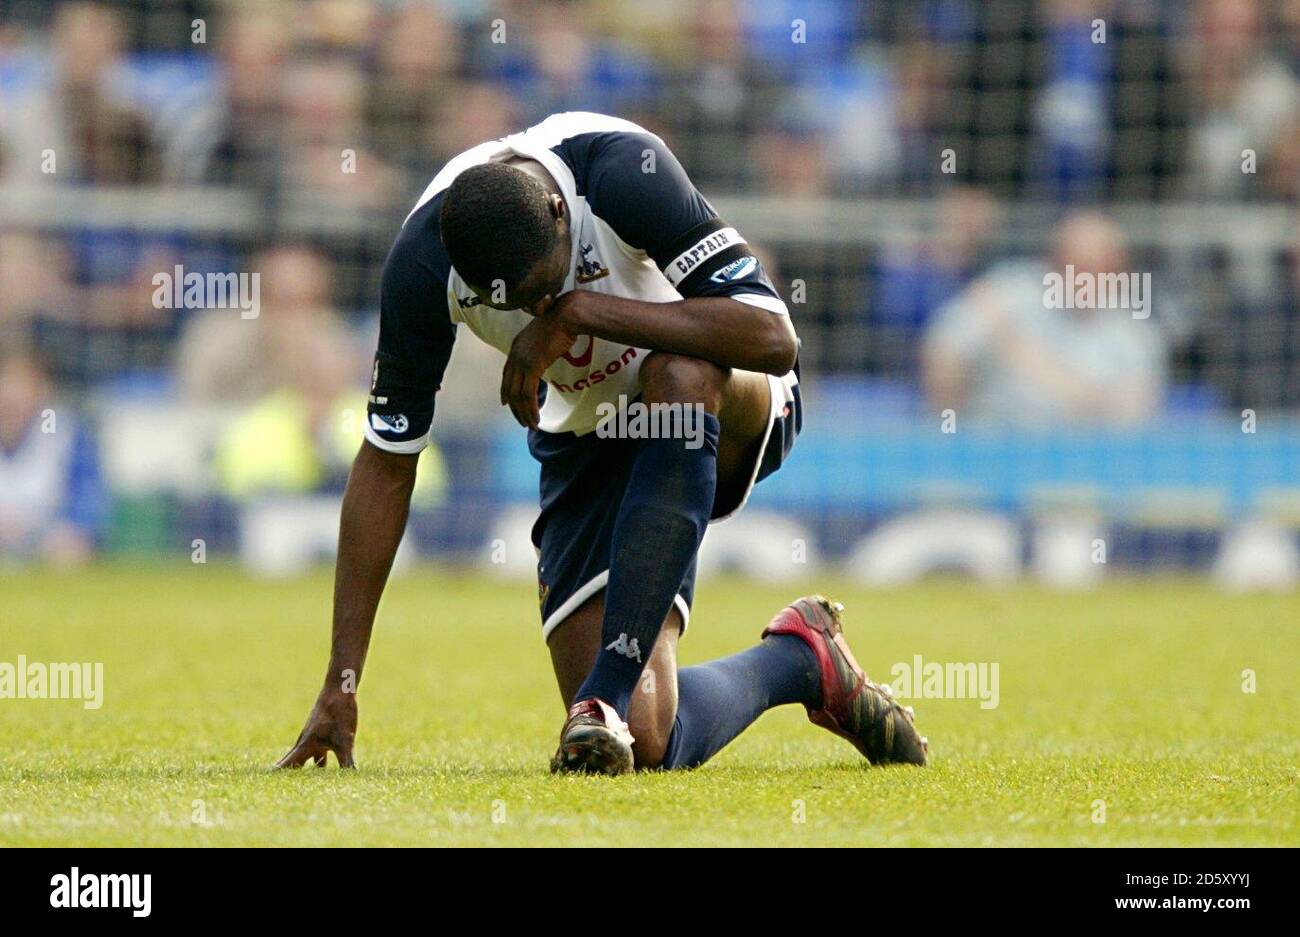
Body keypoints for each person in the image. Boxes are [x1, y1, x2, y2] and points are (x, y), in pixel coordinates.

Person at [276, 112, 926, 774]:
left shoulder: (622, 172)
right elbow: (387, 462)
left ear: (561, 214)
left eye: (544, 289)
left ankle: (603, 698)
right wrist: (341, 678)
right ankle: (800, 660)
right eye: (517, 304)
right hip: (588, 434)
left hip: (728, 394)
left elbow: (770, 335)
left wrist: (581, 311)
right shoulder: (422, 264)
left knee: (677, 373)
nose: (535, 311)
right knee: (647, 741)